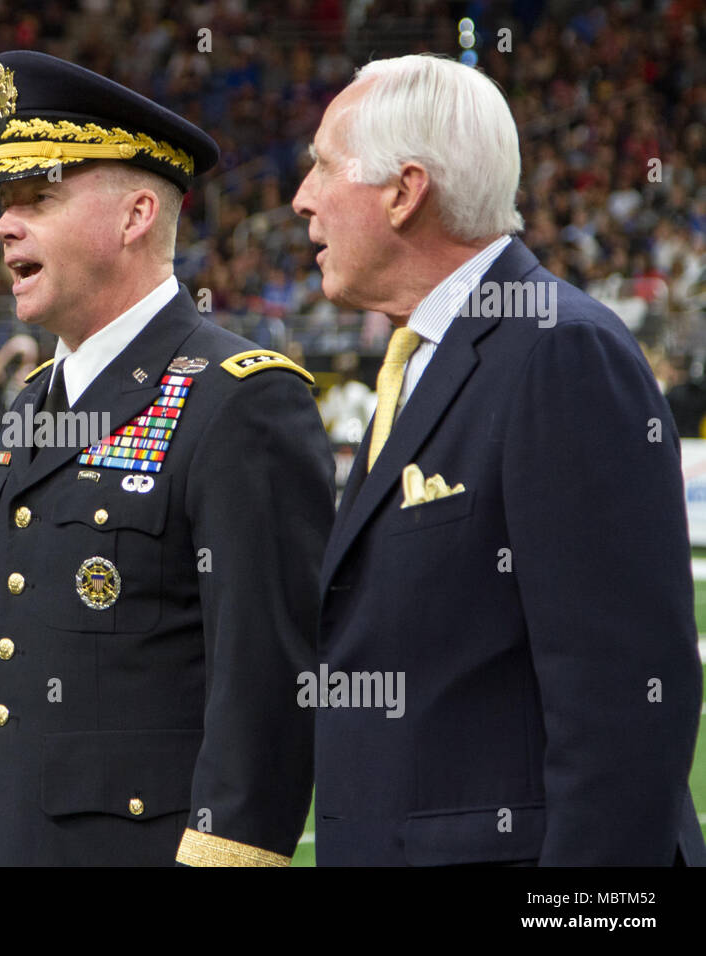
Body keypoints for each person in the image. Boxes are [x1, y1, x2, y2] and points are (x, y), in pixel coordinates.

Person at [293, 54, 705, 865]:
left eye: (322, 165)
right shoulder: (423, 358)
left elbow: (622, 707)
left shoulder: (560, 354)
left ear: (404, 192)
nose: (301, 197)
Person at [0, 51, 335, 866]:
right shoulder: (35, 402)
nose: (2, 224)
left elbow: (266, 687)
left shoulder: (239, 400)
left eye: (39, 197)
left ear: (134, 216)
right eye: (3, 201)